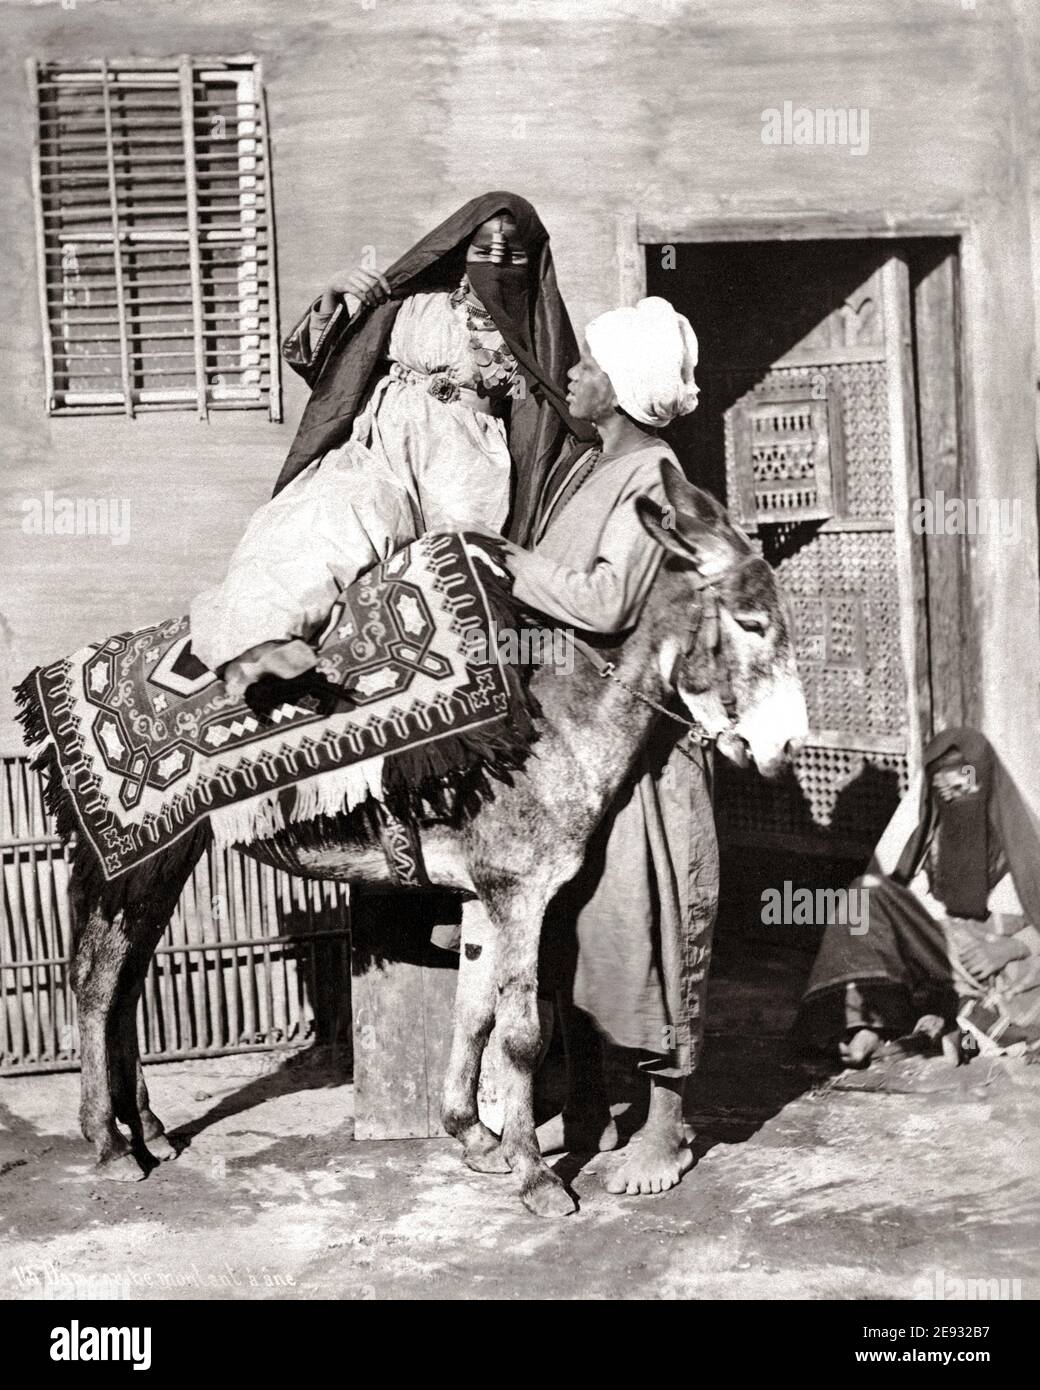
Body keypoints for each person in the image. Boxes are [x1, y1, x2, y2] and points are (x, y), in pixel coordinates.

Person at [456, 296, 716, 1195]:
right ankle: (599, 1107)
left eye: (585, 363)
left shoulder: (651, 475)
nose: (569, 374)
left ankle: (668, 1130)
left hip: (637, 751)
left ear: (622, 387)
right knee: (581, 930)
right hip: (579, 744)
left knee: (649, 928)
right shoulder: (598, 465)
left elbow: (606, 605)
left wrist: (509, 562)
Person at [190, 192, 590, 695]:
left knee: (457, 577)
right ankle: (261, 647)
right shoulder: (413, 300)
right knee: (315, 521)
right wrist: (334, 295)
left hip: (462, 464)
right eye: (484, 252)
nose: (497, 264)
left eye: (512, 257)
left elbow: (561, 415)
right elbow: (333, 369)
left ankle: (440, 702)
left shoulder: (536, 333)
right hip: (381, 444)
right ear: (459, 250)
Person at [795, 728, 1040, 1066]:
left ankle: (962, 1029)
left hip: (1011, 965)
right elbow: (887, 922)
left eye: (962, 787)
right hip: (948, 958)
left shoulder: (1025, 838)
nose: (953, 799)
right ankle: (868, 1027)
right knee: (865, 896)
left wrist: (1008, 948)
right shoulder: (925, 840)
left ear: (984, 783)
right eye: (942, 791)